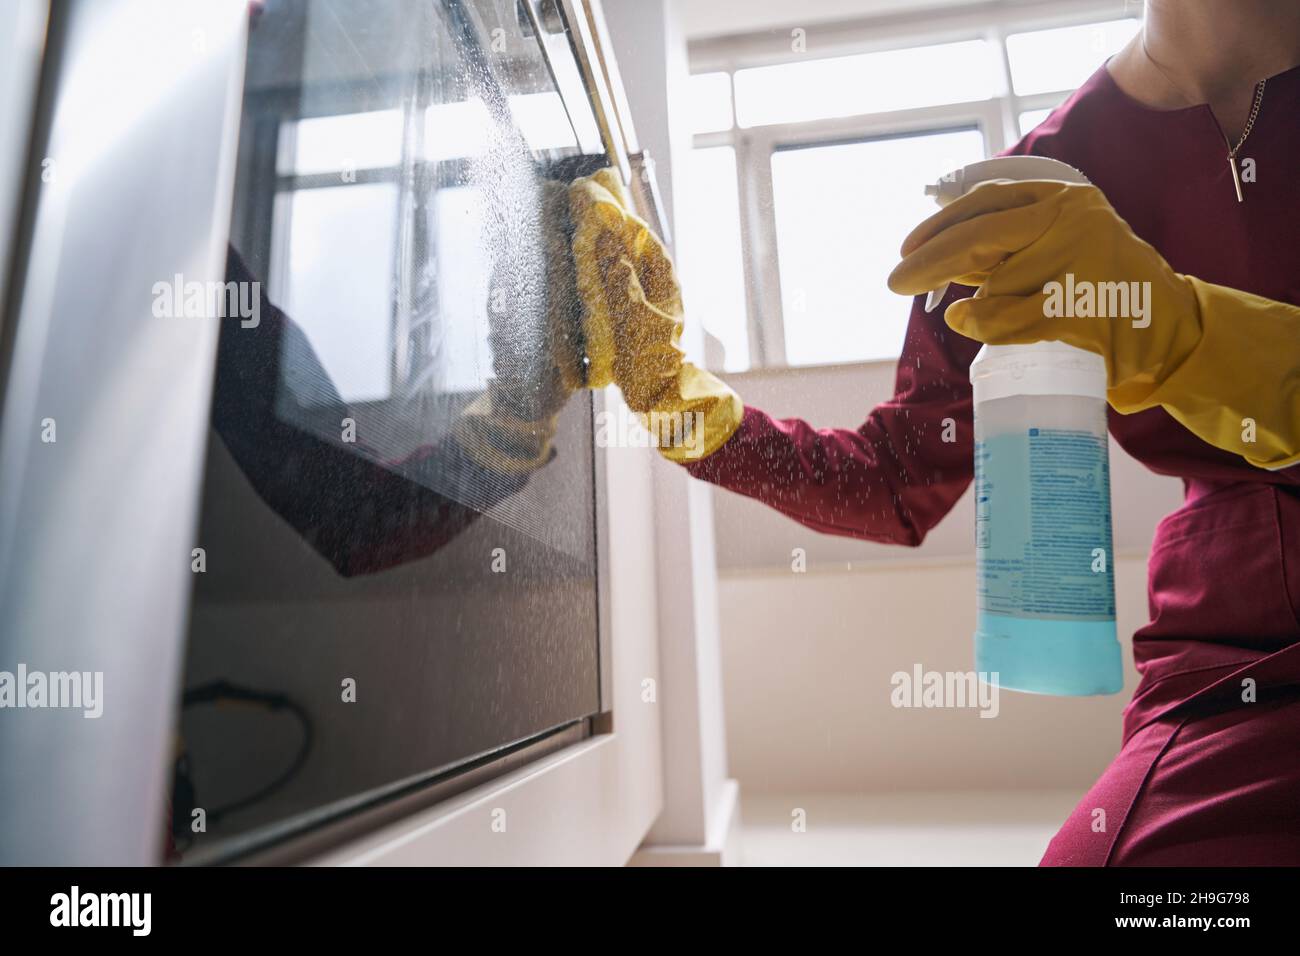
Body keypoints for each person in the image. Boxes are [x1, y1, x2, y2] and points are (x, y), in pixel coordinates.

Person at [568, 0, 1300, 864]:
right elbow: (891, 481)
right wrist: (671, 393)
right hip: (1233, 659)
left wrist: (1181, 328)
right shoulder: (1037, 191)